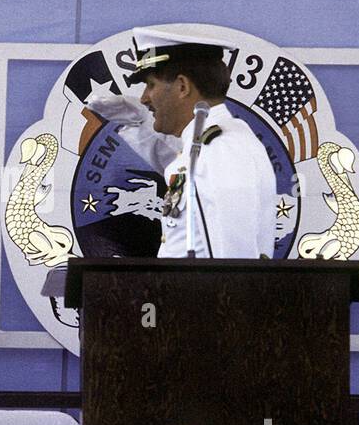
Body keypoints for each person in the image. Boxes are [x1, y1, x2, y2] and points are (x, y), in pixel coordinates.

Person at [87, 29, 276, 258]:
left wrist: (227, 294)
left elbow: (233, 261)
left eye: (151, 85)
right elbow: (185, 168)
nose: (145, 98)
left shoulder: (222, 148)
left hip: (210, 293)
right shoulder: (216, 142)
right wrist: (138, 123)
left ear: (182, 87)